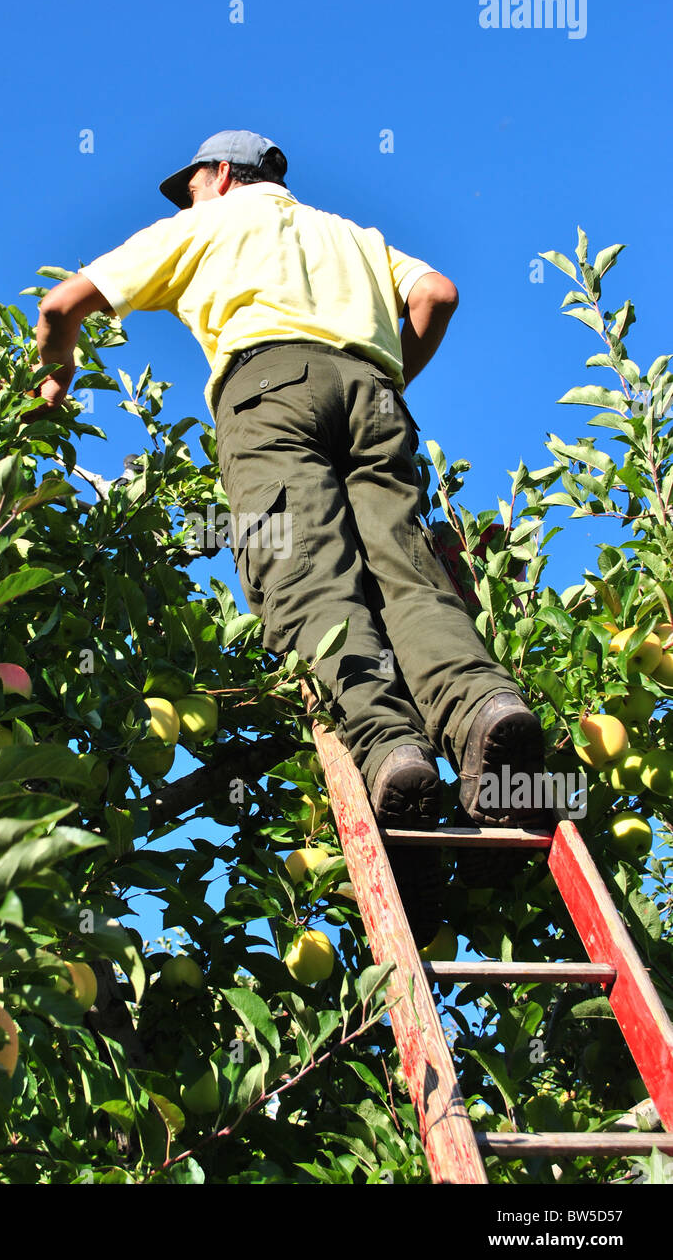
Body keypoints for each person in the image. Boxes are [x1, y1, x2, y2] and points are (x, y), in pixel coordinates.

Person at [31, 130, 548, 944]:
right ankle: (485, 710)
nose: (187, 198)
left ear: (224, 175)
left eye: (192, 184)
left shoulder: (210, 224)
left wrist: (55, 370)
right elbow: (438, 295)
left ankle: (392, 752)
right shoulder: (353, 236)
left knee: (308, 579)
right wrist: (383, 380)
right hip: (374, 395)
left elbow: (64, 304)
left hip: (267, 391)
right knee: (408, 574)